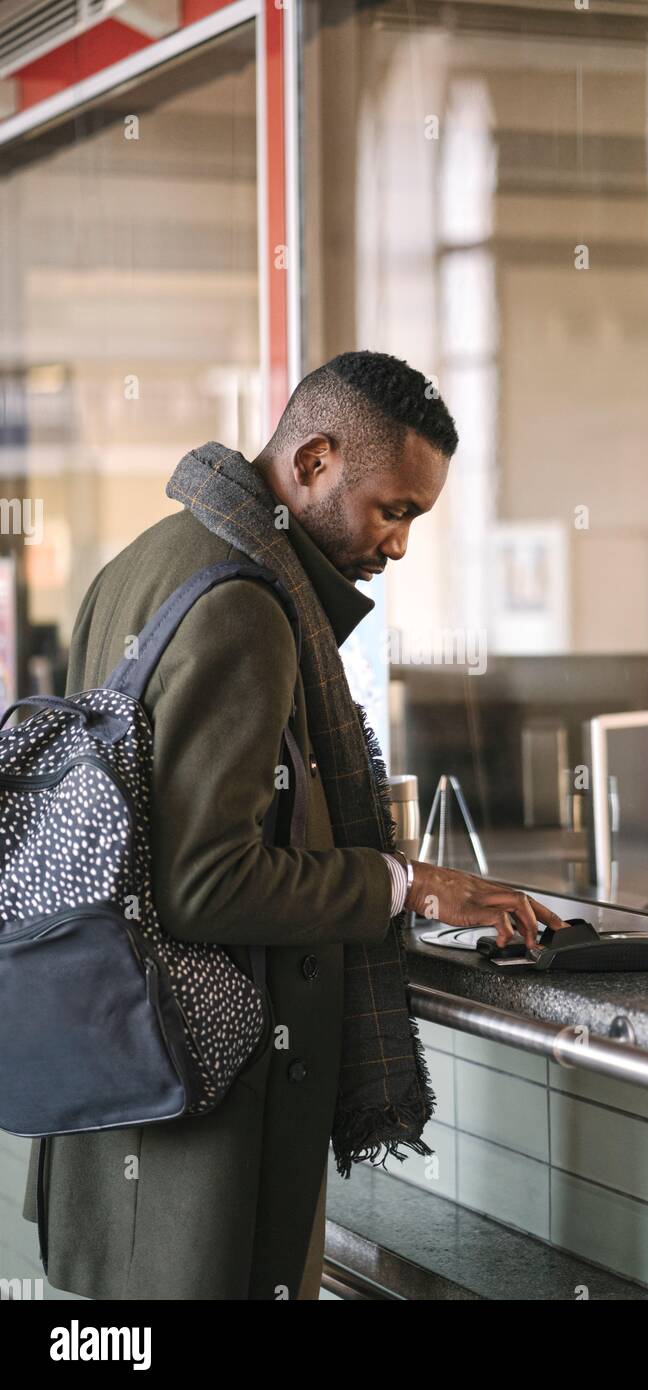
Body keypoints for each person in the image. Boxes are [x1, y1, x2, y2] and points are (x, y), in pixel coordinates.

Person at [22, 349, 568, 1300]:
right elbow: (208, 879)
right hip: (205, 1109)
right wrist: (406, 884)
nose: (397, 545)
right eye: (393, 509)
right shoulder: (245, 605)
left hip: (115, 1065)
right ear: (313, 462)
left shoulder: (144, 558)